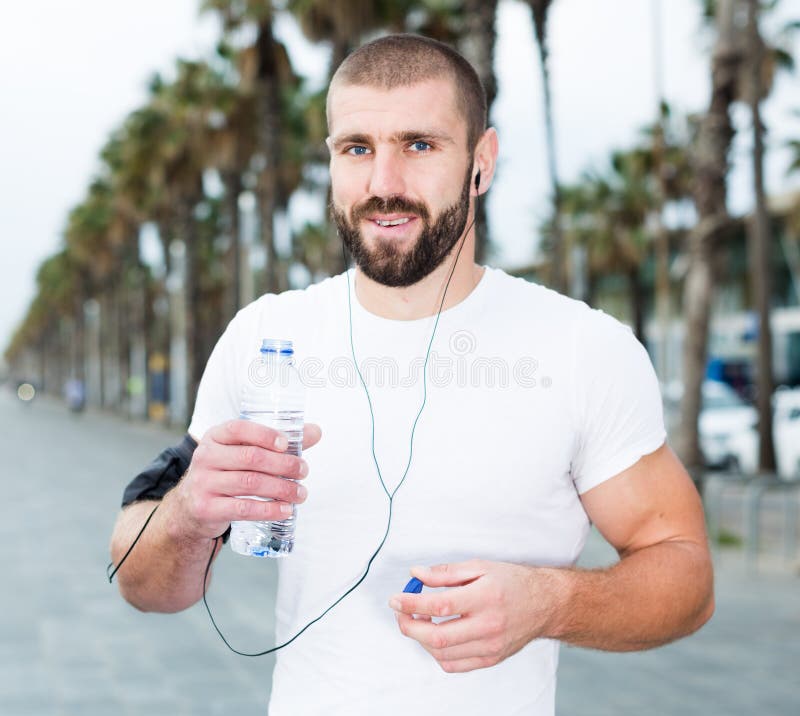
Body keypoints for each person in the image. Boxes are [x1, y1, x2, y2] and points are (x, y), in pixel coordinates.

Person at [110, 34, 714, 716]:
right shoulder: (266, 338)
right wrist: (188, 514)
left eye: (419, 145)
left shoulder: (583, 347)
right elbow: (143, 584)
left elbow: (687, 574)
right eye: (356, 148)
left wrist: (552, 603)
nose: (383, 184)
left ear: (481, 161)